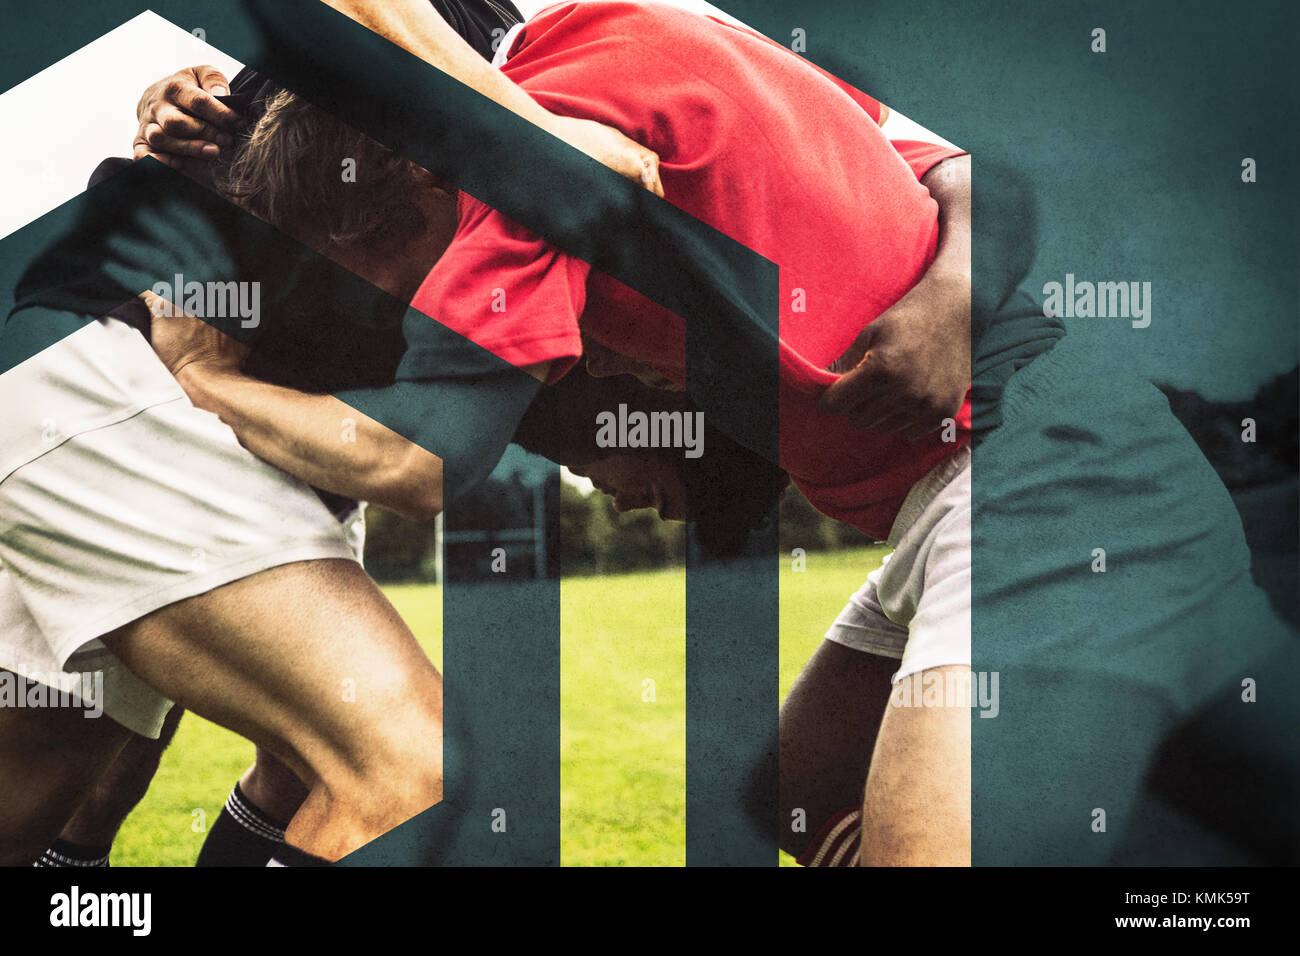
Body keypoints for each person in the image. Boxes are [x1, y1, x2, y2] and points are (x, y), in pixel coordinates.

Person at [145, 0, 977, 866]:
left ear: (414, 176)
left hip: (1013, 469)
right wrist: (960, 279)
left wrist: (206, 378)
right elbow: (933, 156)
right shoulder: (623, 23)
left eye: (394, 279)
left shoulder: (515, 188)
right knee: (794, 797)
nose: (420, 306)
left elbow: (419, 460)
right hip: (936, 500)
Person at [1, 0, 668, 867]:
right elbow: (413, 460)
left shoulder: (505, 149)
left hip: (145, 399)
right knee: (409, 770)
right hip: (119, 380)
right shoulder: (450, 115)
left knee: (49, 794)